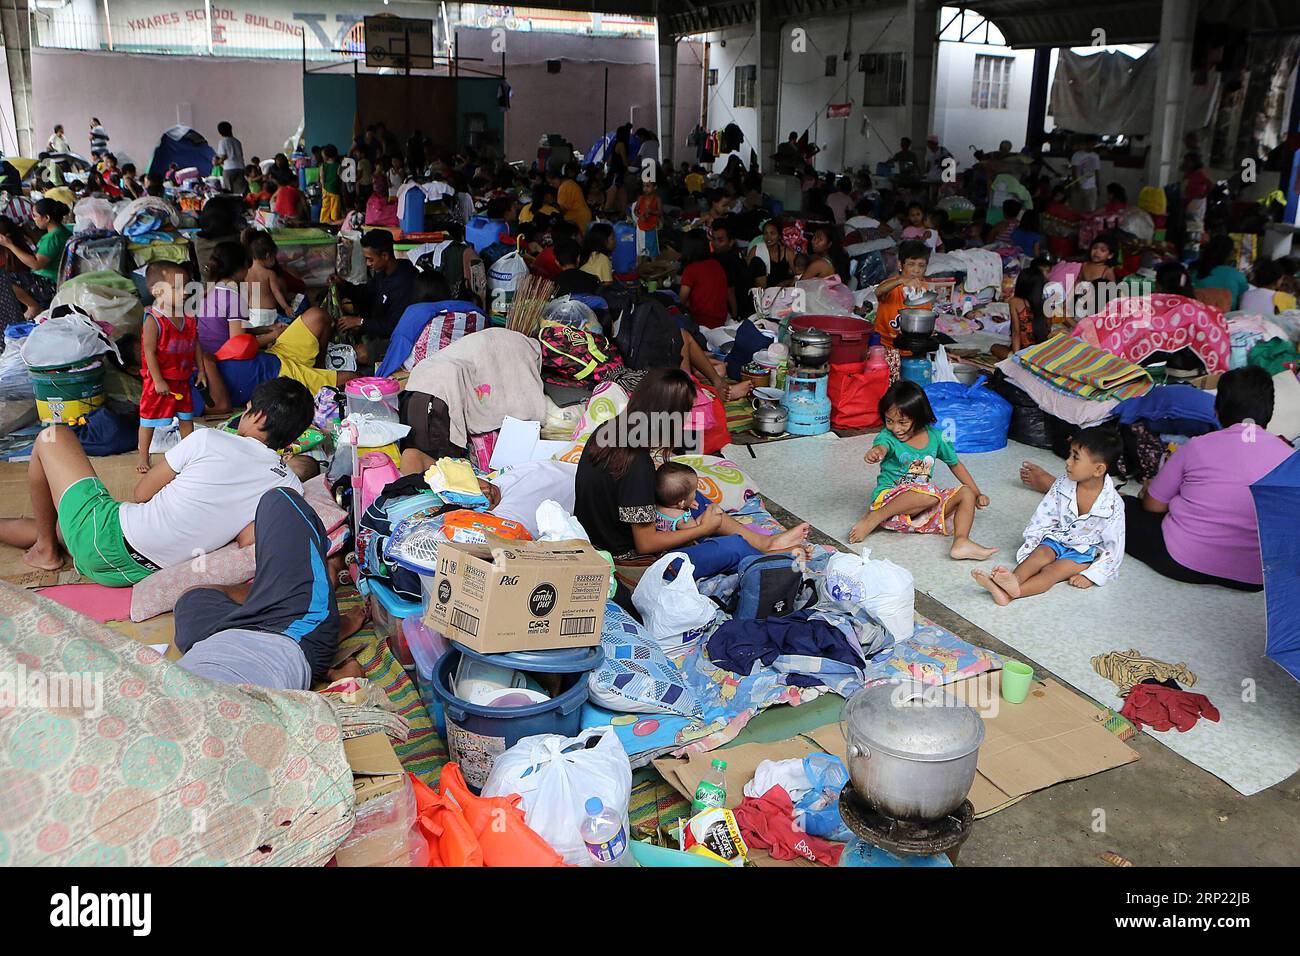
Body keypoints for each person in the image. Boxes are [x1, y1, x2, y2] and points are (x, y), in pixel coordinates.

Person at [0, 378, 313, 583]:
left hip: (109, 538)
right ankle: (48, 541)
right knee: (60, 527)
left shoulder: (208, 440)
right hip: (138, 572)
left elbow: (141, 492)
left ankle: (46, 551)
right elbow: (248, 540)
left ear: (257, 417)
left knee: (53, 436)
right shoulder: (290, 487)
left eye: (246, 410)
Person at [1019, 367, 1291, 590]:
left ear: (1217, 411)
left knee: (1117, 505)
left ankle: (1059, 486)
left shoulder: (1198, 446)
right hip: (1254, 578)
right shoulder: (1290, 458)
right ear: (1269, 412)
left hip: (1181, 561)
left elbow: (1153, 506)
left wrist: (1162, 493)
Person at [574, 368, 809, 576]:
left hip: (604, 535)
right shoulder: (636, 464)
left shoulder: (609, 430)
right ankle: (767, 556)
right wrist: (703, 528)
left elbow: (624, 489)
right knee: (731, 548)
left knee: (684, 489)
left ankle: (764, 542)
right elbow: (645, 544)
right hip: (628, 563)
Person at [174, 486, 365, 689]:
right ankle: (311, 609)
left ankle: (266, 596)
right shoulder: (242, 714)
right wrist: (349, 682)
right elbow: (344, 704)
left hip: (216, 638)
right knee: (280, 500)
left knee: (191, 598)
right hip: (292, 637)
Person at [973, 427, 1124, 604]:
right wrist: (1036, 540)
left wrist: (1092, 576)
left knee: (1052, 571)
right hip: (1057, 539)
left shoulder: (1112, 505)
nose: (1067, 462)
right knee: (1038, 555)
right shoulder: (1062, 484)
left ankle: (1010, 593)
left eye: (1075, 457)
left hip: (1083, 552)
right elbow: (1044, 515)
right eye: (1069, 455)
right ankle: (1012, 582)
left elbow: (1115, 546)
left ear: (1098, 469)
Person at [848, 381, 996, 559]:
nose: (896, 428)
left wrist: (977, 493)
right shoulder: (887, 437)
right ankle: (873, 517)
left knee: (966, 494)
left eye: (903, 422)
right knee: (930, 493)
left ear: (919, 417)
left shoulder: (936, 437)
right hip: (888, 503)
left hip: (921, 512)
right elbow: (882, 446)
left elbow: (955, 464)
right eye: (889, 421)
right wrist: (876, 452)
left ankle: (961, 541)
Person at [137, 262, 203, 473]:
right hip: (158, 381)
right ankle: (143, 457)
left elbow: (196, 344)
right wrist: (157, 380)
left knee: (186, 418)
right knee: (148, 420)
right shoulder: (154, 320)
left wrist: (201, 370)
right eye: (176, 288)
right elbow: (149, 351)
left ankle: (189, 455)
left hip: (182, 378)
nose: (185, 292)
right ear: (156, 291)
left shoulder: (189, 318)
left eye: (185, 286)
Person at [331, 228, 418, 359]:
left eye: (370, 259)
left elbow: (393, 326)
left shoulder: (404, 283)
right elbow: (366, 292)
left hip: (398, 337)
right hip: (376, 325)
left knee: (358, 354)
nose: (367, 264)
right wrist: (343, 284)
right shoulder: (383, 274)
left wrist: (360, 322)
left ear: (385, 256)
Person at [0, 198, 72, 326]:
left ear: (47, 218)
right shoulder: (62, 231)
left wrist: (9, 245)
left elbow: (36, 264)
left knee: (4, 279)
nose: (33, 218)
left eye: (35, 216)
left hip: (49, 283)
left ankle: (33, 306)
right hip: (52, 279)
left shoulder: (53, 237)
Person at [871, 239, 931, 348]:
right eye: (911, 264)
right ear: (900, 264)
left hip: (912, 347)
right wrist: (901, 280)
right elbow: (878, 291)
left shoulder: (925, 290)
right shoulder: (892, 286)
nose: (916, 270)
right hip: (886, 344)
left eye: (921, 265)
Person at [678, 230, 729, 328]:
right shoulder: (716, 264)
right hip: (721, 319)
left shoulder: (691, 269)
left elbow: (682, 300)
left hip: (702, 322)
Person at [1191, 234, 1248, 310]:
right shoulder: (1237, 275)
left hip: (1201, 316)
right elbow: (1242, 301)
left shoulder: (1196, 273)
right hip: (1228, 318)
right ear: (1230, 253)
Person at [710, 218, 751, 320]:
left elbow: (730, 291)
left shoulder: (729, 260)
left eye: (720, 240)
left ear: (731, 241)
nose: (715, 244)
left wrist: (735, 316)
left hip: (734, 312)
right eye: (713, 239)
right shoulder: (734, 255)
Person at [747, 218, 797, 289]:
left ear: (779, 236)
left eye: (772, 233)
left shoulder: (787, 252)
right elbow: (746, 275)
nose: (768, 237)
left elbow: (798, 275)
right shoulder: (756, 250)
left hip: (781, 293)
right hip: (760, 294)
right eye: (765, 233)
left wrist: (787, 282)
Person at [549, 165, 591, 233]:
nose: (551, 185)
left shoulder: (564, 187)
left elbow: (562, 210)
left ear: (557, 178)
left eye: (552, 182)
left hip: (578, 219)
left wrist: (552, 203)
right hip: (582, 216)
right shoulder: (569, 183)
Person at [1070, 137, 1101, 212]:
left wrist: (1098, 186)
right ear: (1086, 144)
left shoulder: (1095, 156)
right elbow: (1073, 171)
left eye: (1093, 144)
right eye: (1090, 144)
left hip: (1092, 187)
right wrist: (1076, 184)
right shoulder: (1077, 155)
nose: (1092, 146)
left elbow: (1097, 172)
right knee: (1078, 209)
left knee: (1090, 209)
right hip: (1080, 185)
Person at [214, 121, 246, 193]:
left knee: (229, 191)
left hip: (229, 169)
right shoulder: (237, 141)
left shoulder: (223, 142)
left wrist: (217, 163)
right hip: (240, 167)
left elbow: (224, 156)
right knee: (240, 191)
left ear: (220, 132)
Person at [633, 178, 662, 258]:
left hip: (652, 226)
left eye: (648, 186)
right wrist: (640, 216)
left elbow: (660, 212)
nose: (645, 188)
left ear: (655, 187)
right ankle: (642, 263)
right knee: (641, 247)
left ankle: (653, 263)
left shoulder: (657, 199)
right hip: (641, 226)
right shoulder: (640, 198)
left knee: (652, 247)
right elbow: (635, 210)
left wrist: (651, 211)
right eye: (644, 186)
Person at [319, 144, 344, 224]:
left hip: (325, 189)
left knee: (325, 206)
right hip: (335, 190)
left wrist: (323, 187)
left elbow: (322, 177)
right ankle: (334, 222)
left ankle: (323, 221)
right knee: (334, 207)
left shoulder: (323, 165)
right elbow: (341, 177)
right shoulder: (338, 166)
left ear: (326, 155)